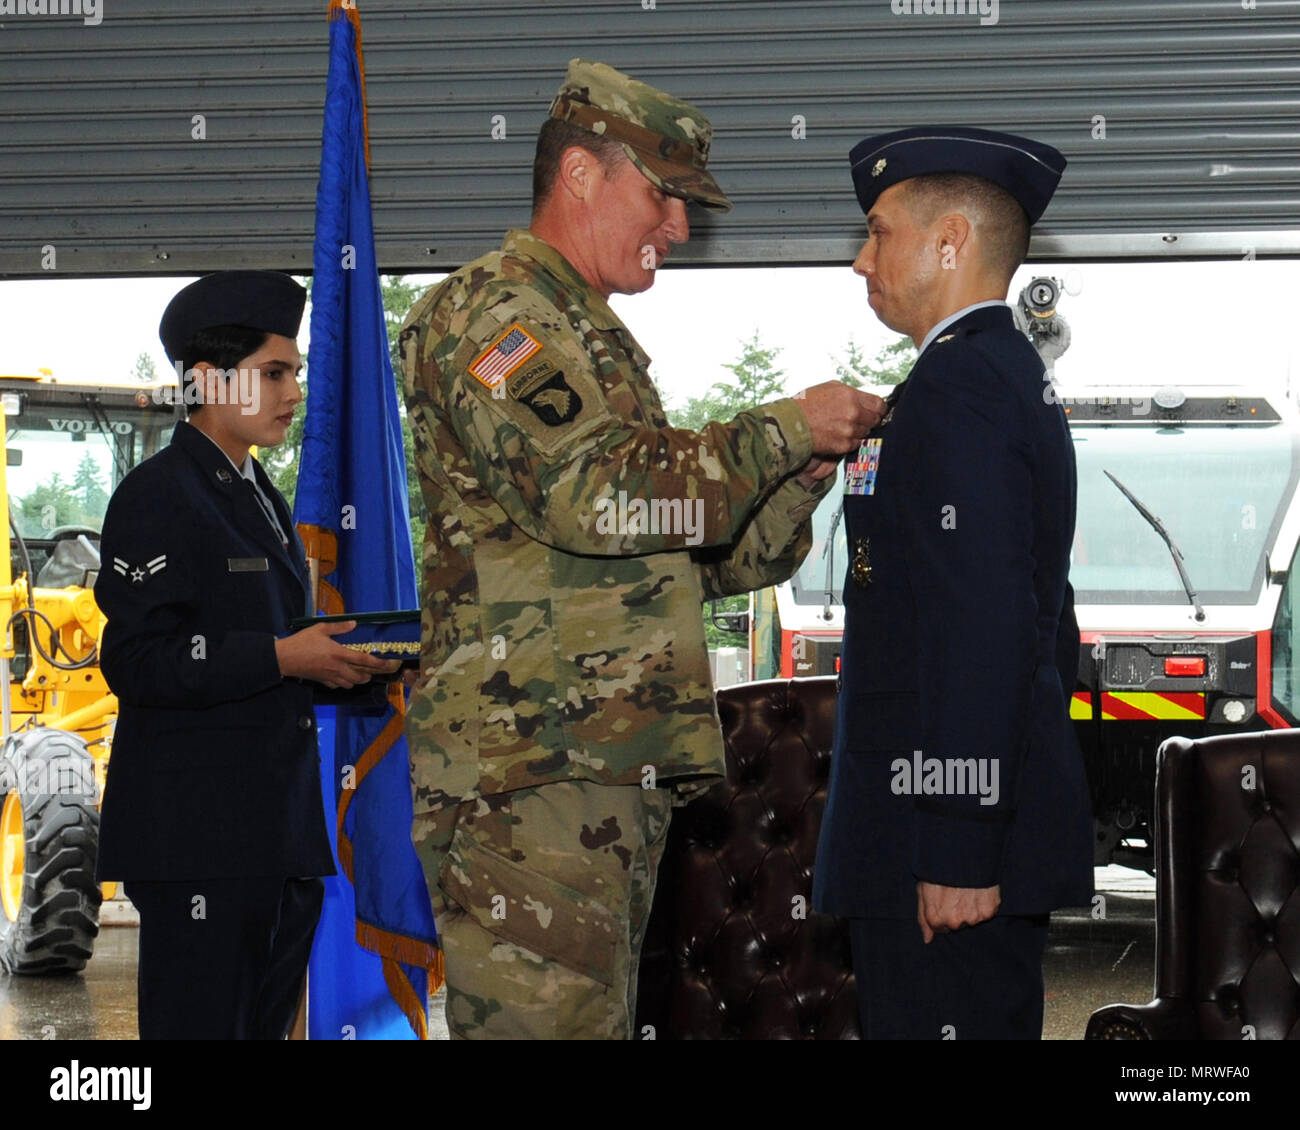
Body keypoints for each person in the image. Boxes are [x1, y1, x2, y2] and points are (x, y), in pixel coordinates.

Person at [400, 58, 884, 1039]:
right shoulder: (496, 317)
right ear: (582, 172)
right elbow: (597, 493)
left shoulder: (588, 337)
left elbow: (672, 555)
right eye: (665, 197)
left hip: (591, 772)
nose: (678, 229)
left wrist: (790, 486)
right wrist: (783, 428)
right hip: (528, 773)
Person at [812, 127, 1094, 1039]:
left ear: (950, 241)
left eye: (879, 231)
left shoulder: (959, 387)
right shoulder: (994, 373)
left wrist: (963, 845)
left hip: (942, 848)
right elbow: (1037, 618)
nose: (861, 259)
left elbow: (984, 632)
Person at [94, 270, 394, 1039]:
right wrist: (284, 658)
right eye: (274, 372)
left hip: (274, 836)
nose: (294, 390)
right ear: (206, 381)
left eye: (292, 371)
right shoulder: (159, 494)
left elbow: (268, 648)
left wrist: (350, 660)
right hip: (201, 845)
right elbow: (137, 661)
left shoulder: (259, 493)